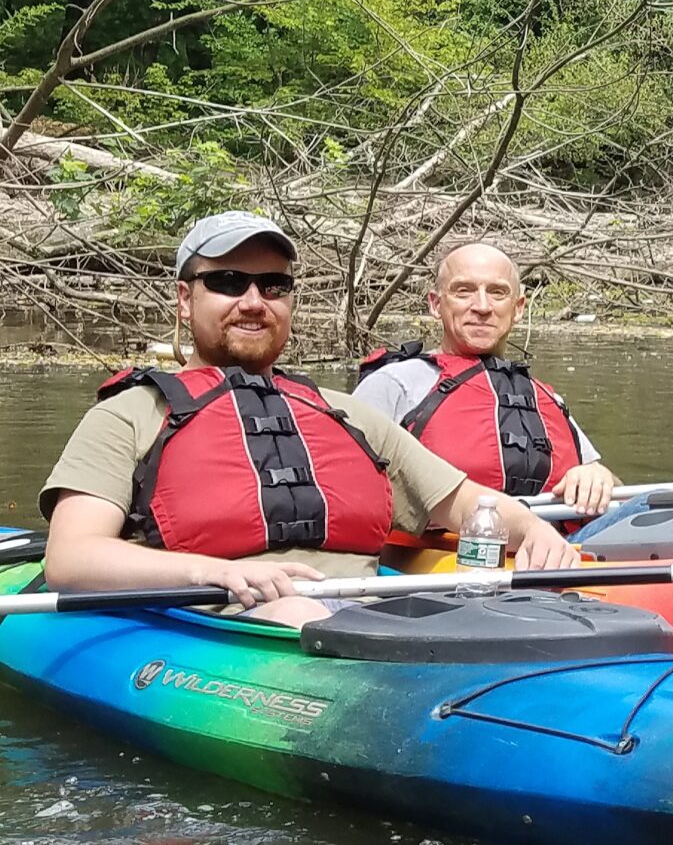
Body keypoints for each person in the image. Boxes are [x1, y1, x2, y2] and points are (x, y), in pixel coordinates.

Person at [40, 212, 580, 627]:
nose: (254, 301)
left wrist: (533, 528)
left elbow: (466, 503)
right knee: (298, 616)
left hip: (365, 616)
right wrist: (216, 571)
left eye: (274, 286)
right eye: (229, 282)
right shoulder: (128, 415)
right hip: (223, 621)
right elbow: (71, 557)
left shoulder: (346, 413)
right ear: (185, 299)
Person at [355, 242, 618, 515]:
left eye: (497, 292)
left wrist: (598, 477)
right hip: (440, 549)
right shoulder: (394, 384)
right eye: (464, 291)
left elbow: (611, 486)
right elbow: (345, 485)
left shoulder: (546, 398)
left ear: (517, 308)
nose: (482, 306)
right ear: (435, 304)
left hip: (556, 547)